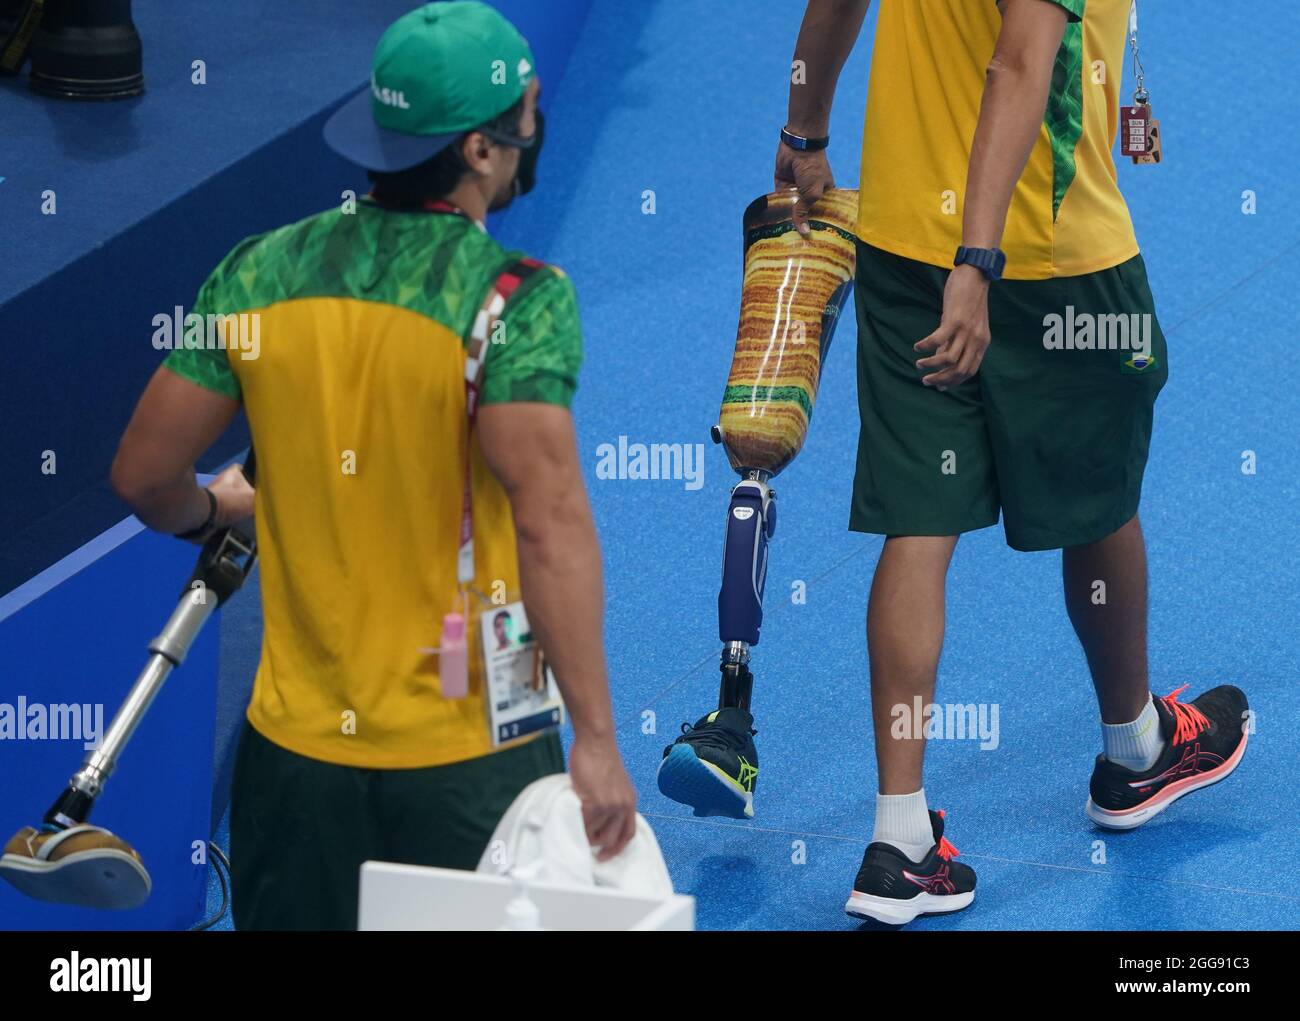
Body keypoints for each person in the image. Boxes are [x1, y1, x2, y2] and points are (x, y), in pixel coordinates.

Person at [662, 0, 1248, 926]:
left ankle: (899, 839)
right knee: (1098, 503)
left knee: (918, 524)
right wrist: (978, 262)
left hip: (901, 248)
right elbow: (1017, 64)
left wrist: (803, 132)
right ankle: (1136, 751)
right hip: (1054, 267)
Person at [110, 0, 635, 930]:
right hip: (468, 752)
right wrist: (595, 736)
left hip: (292, 757)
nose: (531, 130)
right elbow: (551, 527)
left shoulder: (257, 273)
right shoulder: (515, 301)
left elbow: (144, 478)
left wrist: (214, 509)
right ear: (479, 150)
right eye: (524, 112)